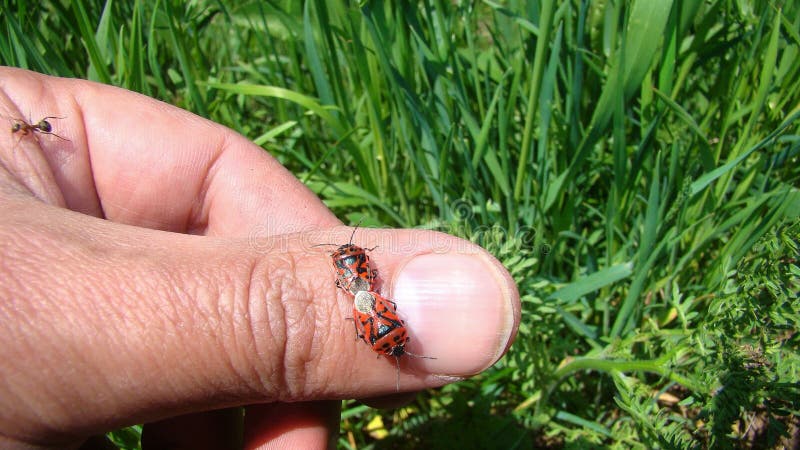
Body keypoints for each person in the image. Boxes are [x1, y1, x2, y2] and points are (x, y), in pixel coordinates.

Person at [0, 67, 519, 449]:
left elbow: (356, 288)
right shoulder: (358, 280)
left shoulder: (355, 283)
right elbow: (344, 291)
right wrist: (302, 315)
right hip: (372, 312)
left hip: (370, 312)